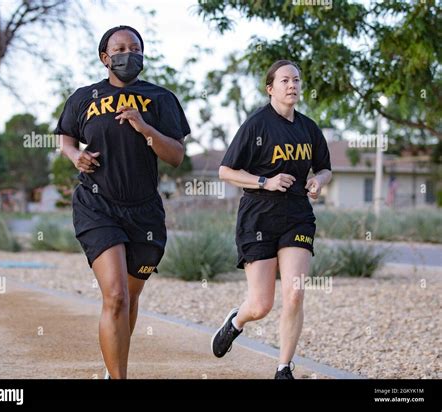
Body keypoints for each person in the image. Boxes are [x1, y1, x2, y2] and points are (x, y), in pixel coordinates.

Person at [54, 25, 190, 379]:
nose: (128, 53)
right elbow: (66, 138)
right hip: (97, 204)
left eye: (135, 48)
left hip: (144, 212)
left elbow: (175, 155)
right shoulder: (85, 97)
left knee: (127, 300)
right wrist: (74, 157)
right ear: (105, 57)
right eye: (120, 48)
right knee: (114, 296)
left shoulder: (161, 99)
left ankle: (113, 365)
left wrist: (145, 128)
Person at [211, 59, 332, 379]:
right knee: (261, 305)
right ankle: (237, 321)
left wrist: (318, 181)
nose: (292, 85)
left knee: (295, 291)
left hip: (297, 216)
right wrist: (265, 181)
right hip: (258, 217)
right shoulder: (256, 125)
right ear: (270, 89)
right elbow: (225, 171)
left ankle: (283, 368)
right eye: (285, 81)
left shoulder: (308, 127)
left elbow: (325, 167)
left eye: (296, 80)